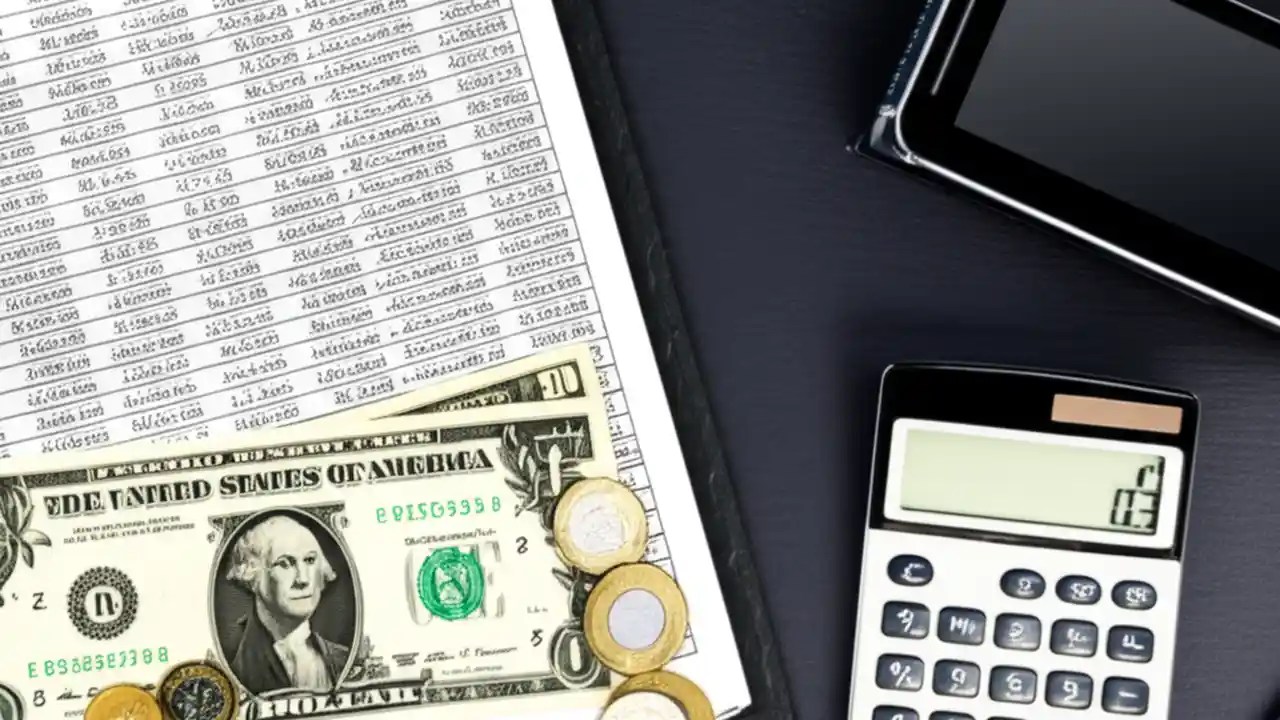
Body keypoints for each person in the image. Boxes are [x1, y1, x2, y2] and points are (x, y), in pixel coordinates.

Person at [223, 514, 350, 695]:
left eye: (310, 560)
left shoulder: (343, 659)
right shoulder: (236, 673)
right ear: (253, 575)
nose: (303, 579)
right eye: (285, 564)